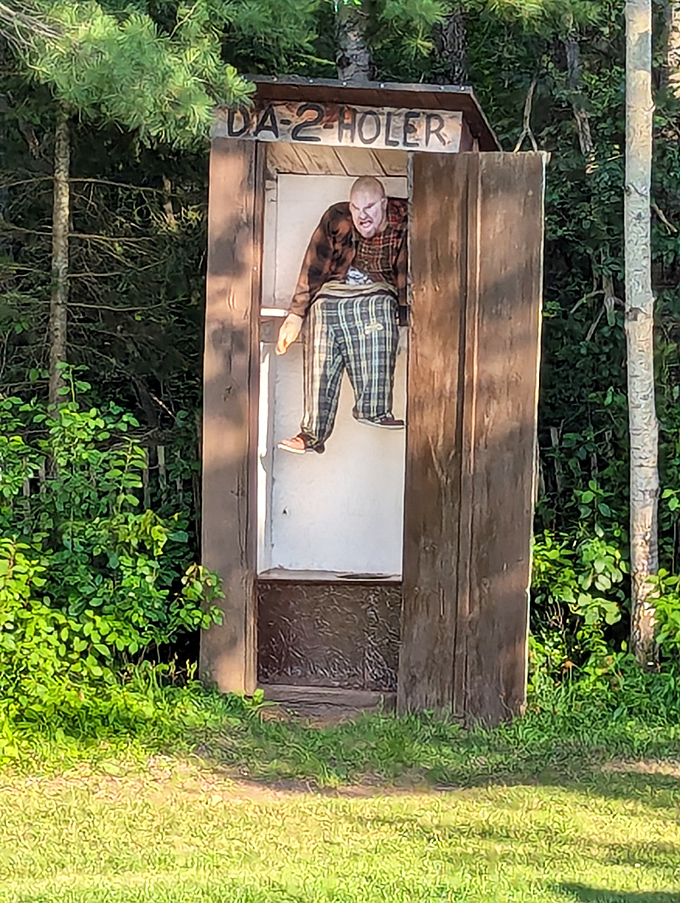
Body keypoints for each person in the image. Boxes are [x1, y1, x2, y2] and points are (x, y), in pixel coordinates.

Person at [276, 175, 407, 454]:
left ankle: (373, 409)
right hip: (336, 295)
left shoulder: (405, 220)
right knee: (320, 318)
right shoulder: (337, 218)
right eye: (357, 209)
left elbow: (412, 274)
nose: (363, 216)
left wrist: (407, 318)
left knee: (381, 312)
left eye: (370, 207)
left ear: (384, 203)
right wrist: (296, 314)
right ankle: (312, 433)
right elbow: (315, 263)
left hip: (378, 296)